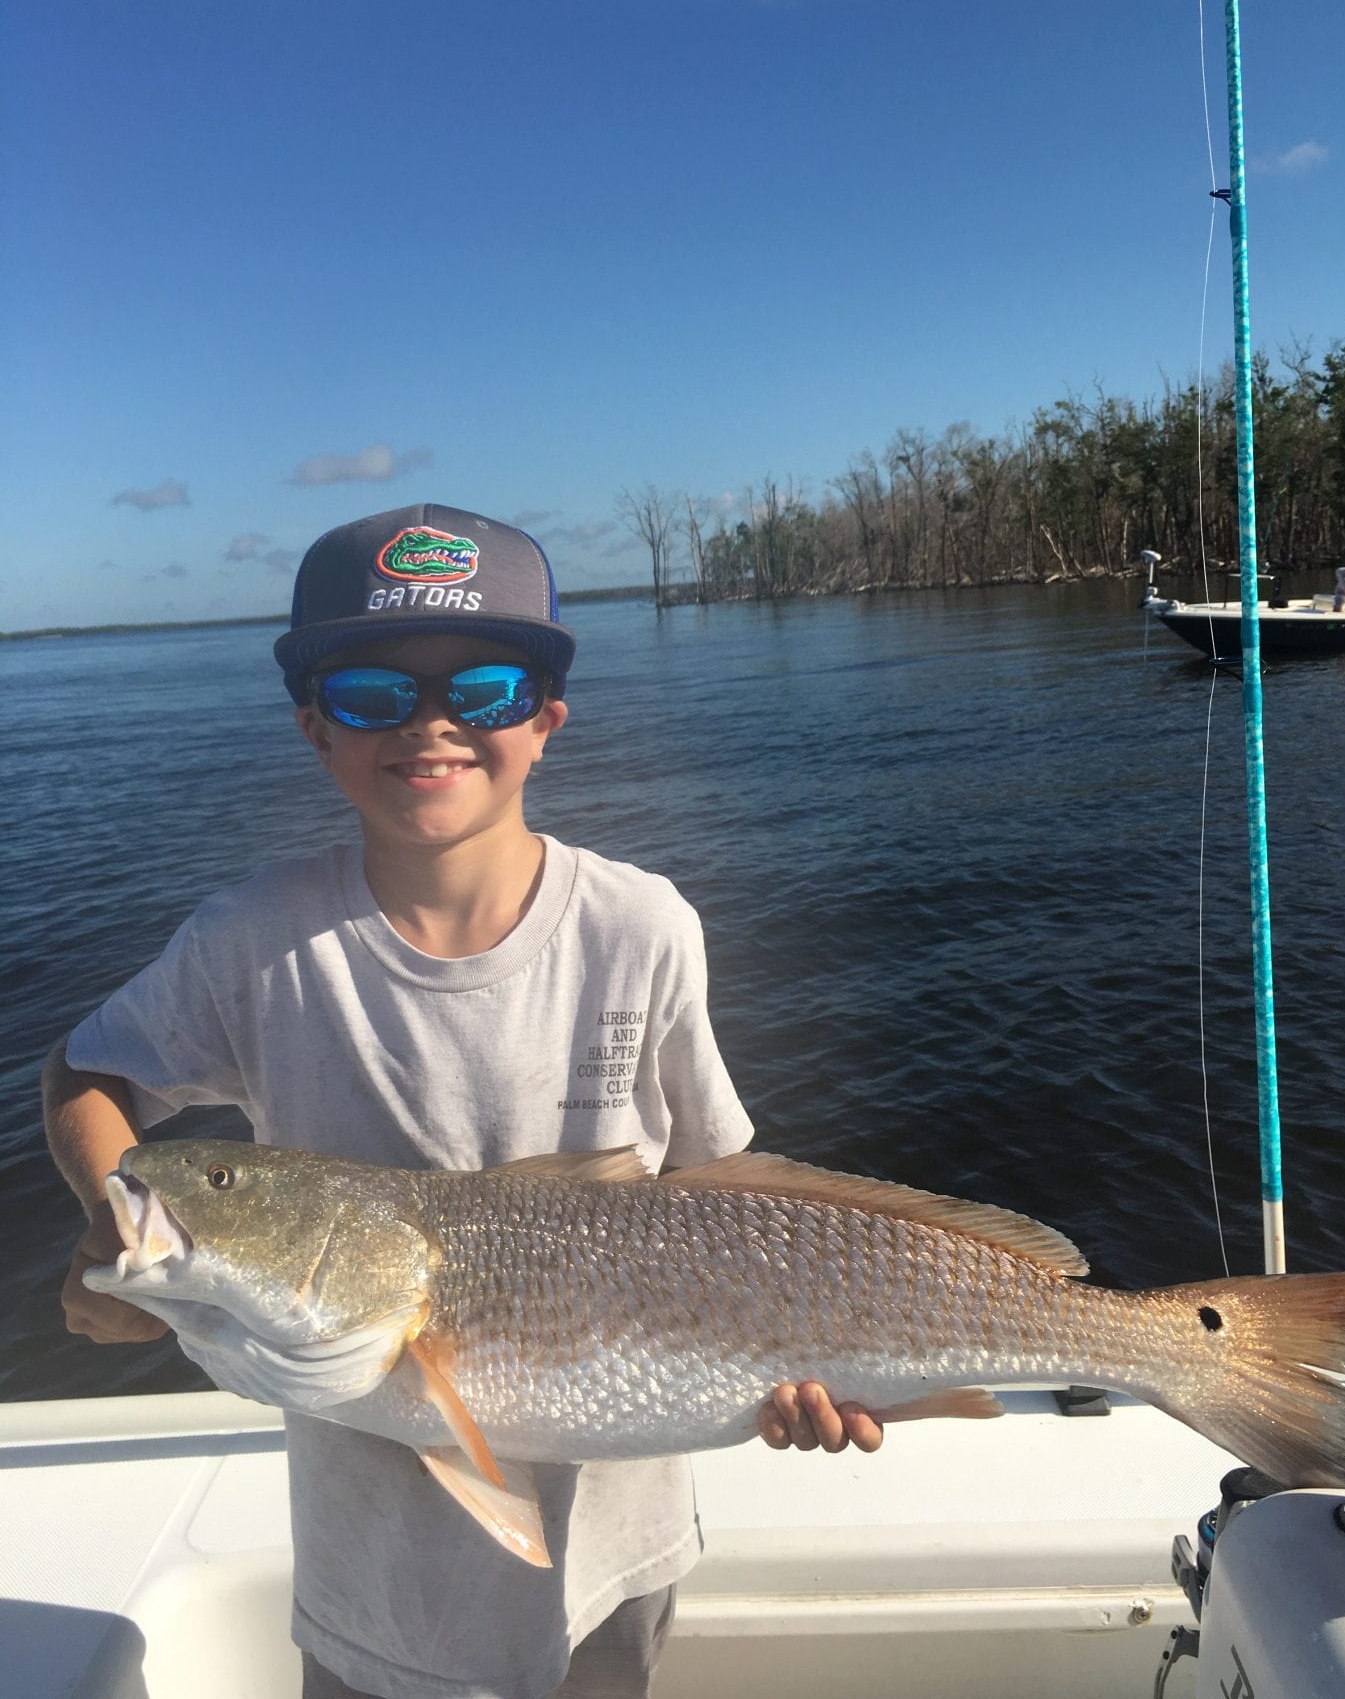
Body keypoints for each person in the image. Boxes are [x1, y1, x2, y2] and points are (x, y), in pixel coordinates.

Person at [44, 502, 883, 1699]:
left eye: (484, 689)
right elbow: (86, 1069)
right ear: (313, 728)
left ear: (544, 719)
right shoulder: (255, 942)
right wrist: (105, 1213)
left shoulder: (641, 926)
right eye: (373, 694)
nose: (431, 725)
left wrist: (819, 1355)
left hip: (613, 1554)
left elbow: (728, 1191)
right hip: (367, 1584)